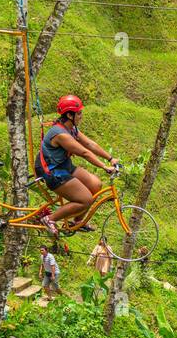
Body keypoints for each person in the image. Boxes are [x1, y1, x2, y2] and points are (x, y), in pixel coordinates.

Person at [33, 94, 120, 233]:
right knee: (86, 200)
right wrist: (104, 167)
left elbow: (89, 144)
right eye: (79, 113)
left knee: (96, 184)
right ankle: (49, 219)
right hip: (53, 172)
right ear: (69, 115)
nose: (81, 116)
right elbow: (84, 152)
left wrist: (110, 158)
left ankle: (78, 221)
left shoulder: (71, 129)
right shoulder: (60, 134)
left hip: (64, 166)